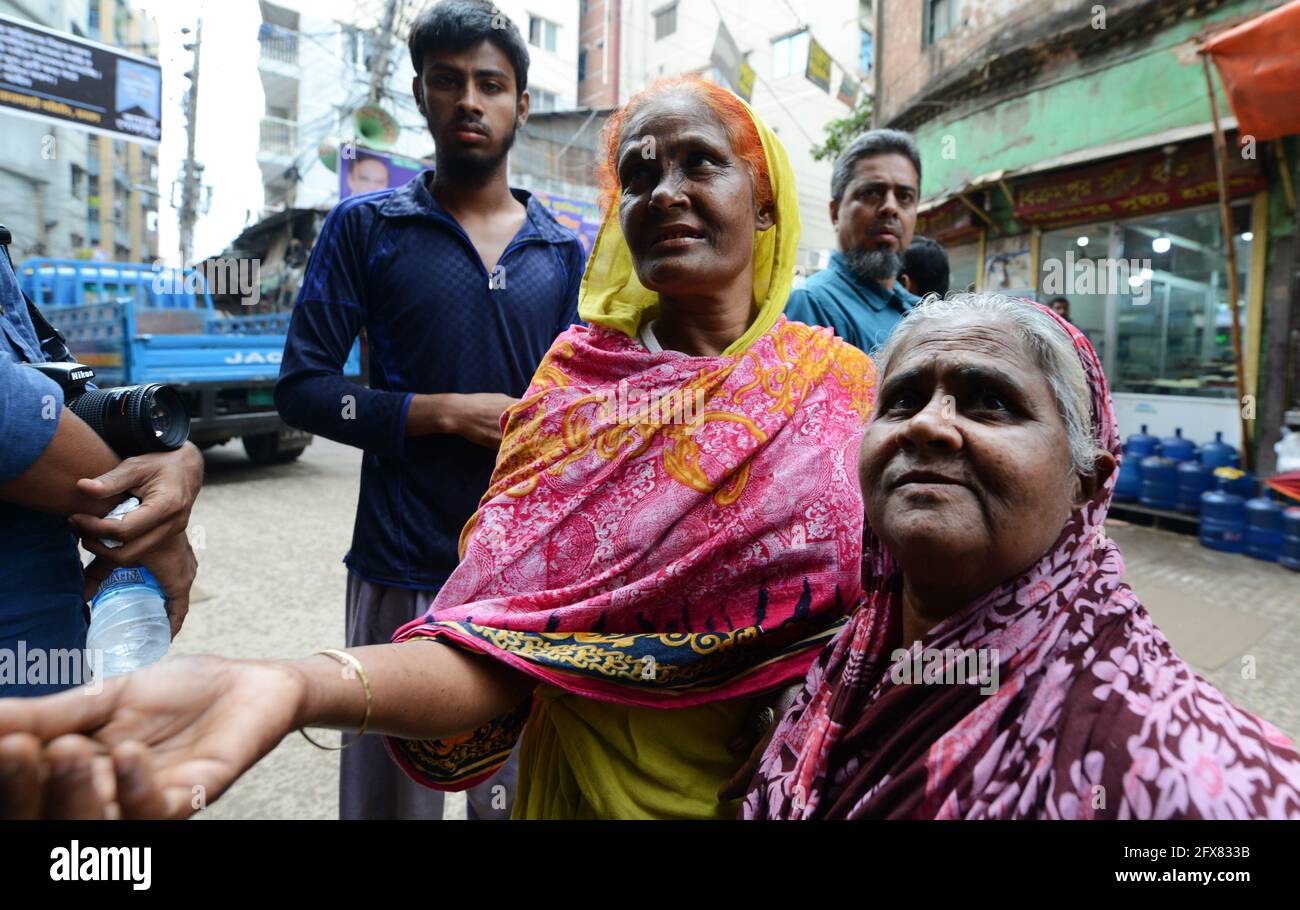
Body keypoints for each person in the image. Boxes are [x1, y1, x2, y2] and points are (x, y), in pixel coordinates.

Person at [0, 75, 875, 822]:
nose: (666, 192)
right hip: (592, 790)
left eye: (700, 162)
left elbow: (907, 602)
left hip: (807, 782)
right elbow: (497, 647)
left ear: (764, 202)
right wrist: (294, 684)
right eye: (638, 176)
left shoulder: (845, 390)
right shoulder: (573, 394)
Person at [744, 293, 1300, 819]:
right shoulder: (846, 663)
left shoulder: (1186, 768)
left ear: (1088, 480)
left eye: (991, 402)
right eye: (903, 400)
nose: (926, 424)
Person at [273, 0, 586, 821]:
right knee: (386, 806)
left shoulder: (562, 252)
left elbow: (586, 407)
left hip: (523, 579)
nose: (470, 102)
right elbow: (304, 388)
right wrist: (442, 413)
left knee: (511, 802)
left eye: (491, 84)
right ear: (420, 94)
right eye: (449, 82)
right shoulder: (365, 228)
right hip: (399, 560)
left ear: (521, 102)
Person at [0, 229, 201, 698]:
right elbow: (12, 406)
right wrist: (140, 513)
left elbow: (60, 394)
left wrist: (179, 457)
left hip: (51, 663)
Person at [785, 129, 922, 353]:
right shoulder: (812, 304)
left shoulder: (920, 309)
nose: (891, 207)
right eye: (872, 193)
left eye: (904, 197)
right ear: (835, 212)